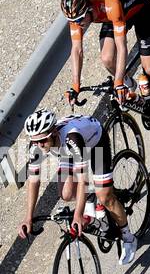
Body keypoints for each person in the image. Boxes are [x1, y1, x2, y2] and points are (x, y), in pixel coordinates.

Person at [17, 109, 140, 264]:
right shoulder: (36, 144)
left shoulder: (72, 137)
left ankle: (128, 237)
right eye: (36, 141)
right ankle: (91, 196)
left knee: (105, 197)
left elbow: (83, 180)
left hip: (95, 142)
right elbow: (33, 181)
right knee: (66, 194)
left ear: (54, 131)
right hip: (65, 151)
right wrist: (28, 217)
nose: (40, 145)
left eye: (43, 140)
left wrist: (78, 214)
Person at [60, 0, 150, 133]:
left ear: (88, 9)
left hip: (139, 10)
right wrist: (75, 85)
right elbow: (77, 50)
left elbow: (122, 46)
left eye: (79, 19)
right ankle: (130, 86)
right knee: (107, 59)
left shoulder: (110, 4)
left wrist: (117, 82)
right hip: (112, 17)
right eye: (72, 21)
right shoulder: (76, 18)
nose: (77, 25)